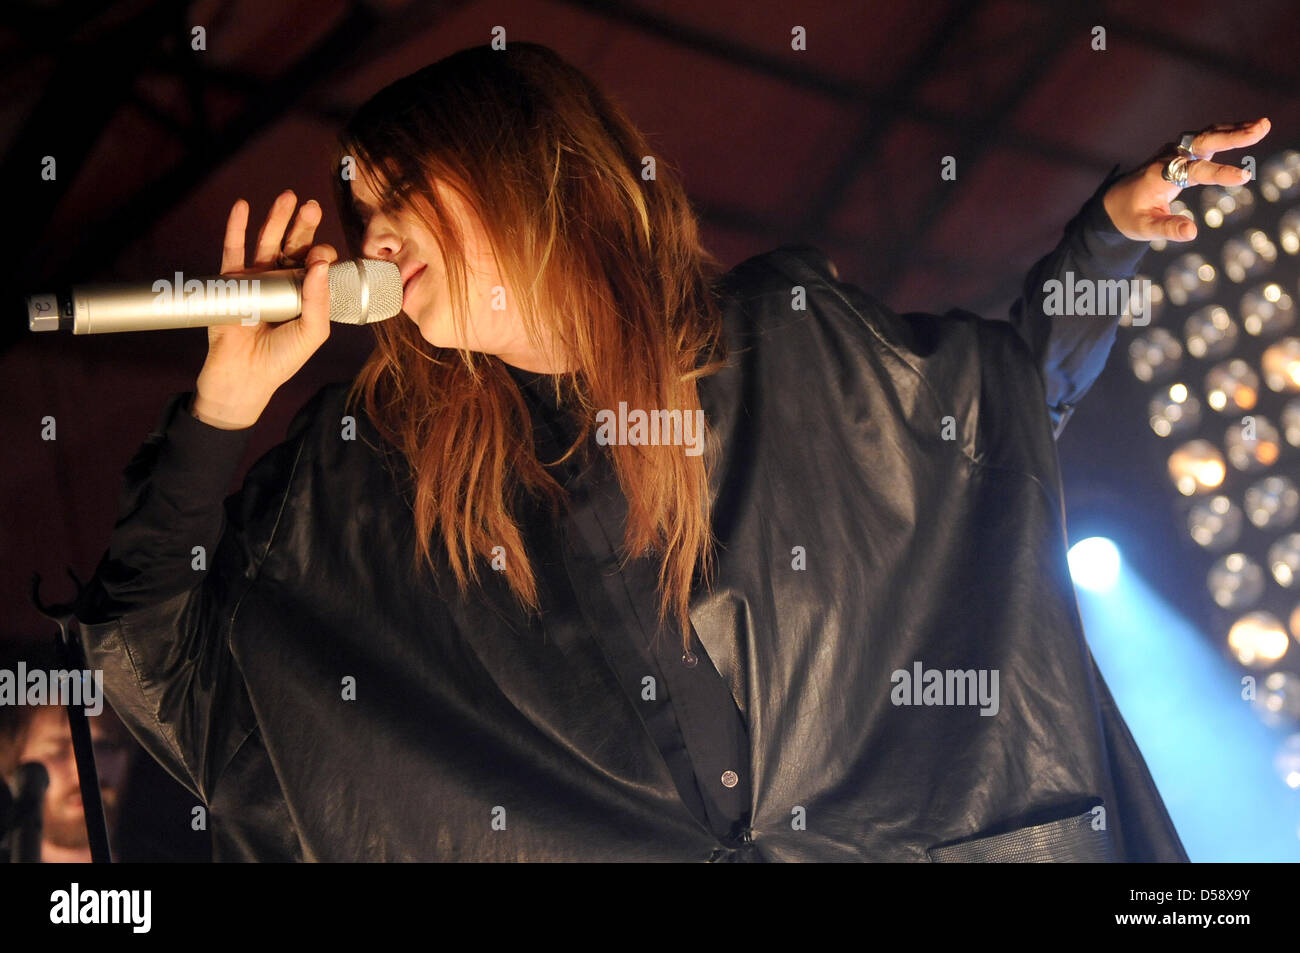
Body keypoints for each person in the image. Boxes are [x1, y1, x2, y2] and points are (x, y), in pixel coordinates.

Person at [70, 42, 1267, 861]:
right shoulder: (373, 481)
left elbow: (994, 419)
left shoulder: (779, 347)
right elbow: (170, 677)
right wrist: (221, 411)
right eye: (361, 206)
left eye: (404, 187)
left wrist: (1105, 240)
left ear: (527, 172)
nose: (374, 229)